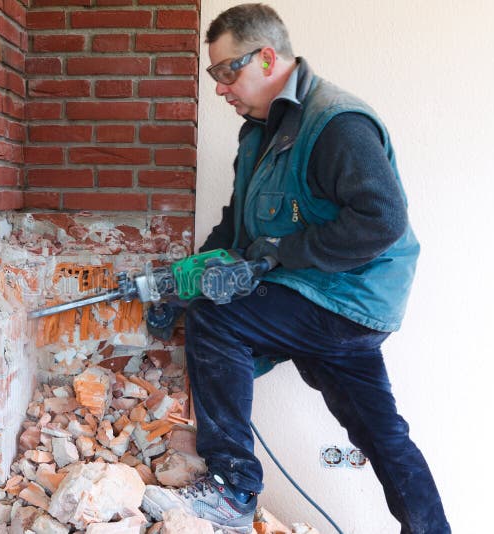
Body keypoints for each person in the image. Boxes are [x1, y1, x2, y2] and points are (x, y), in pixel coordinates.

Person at [142, 4, 450, 533]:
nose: (219, 87)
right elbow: (236, 229)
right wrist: (184, 275)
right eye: (213, 75)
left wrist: (275, 255)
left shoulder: (336, 123)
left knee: (218, 319)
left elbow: (382, 221)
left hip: (346, 299)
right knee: (380, 433)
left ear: (266, 57)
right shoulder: (259, 130)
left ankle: (233, 490)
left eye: (224, 71)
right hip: (318, 299)